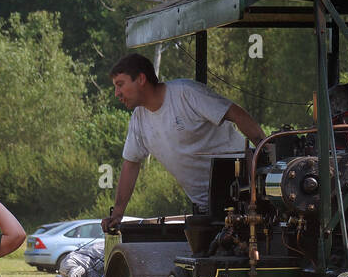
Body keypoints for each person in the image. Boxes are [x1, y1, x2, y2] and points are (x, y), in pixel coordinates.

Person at [104, 53, 265, 228]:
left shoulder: (186, 93)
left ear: (141, 79)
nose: (117, 93)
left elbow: (236, 114)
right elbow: (131, 164)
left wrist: (268, 154)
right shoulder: (139, 119)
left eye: (120, 85)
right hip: (208, 208)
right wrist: (118, 214)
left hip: (247, 193)